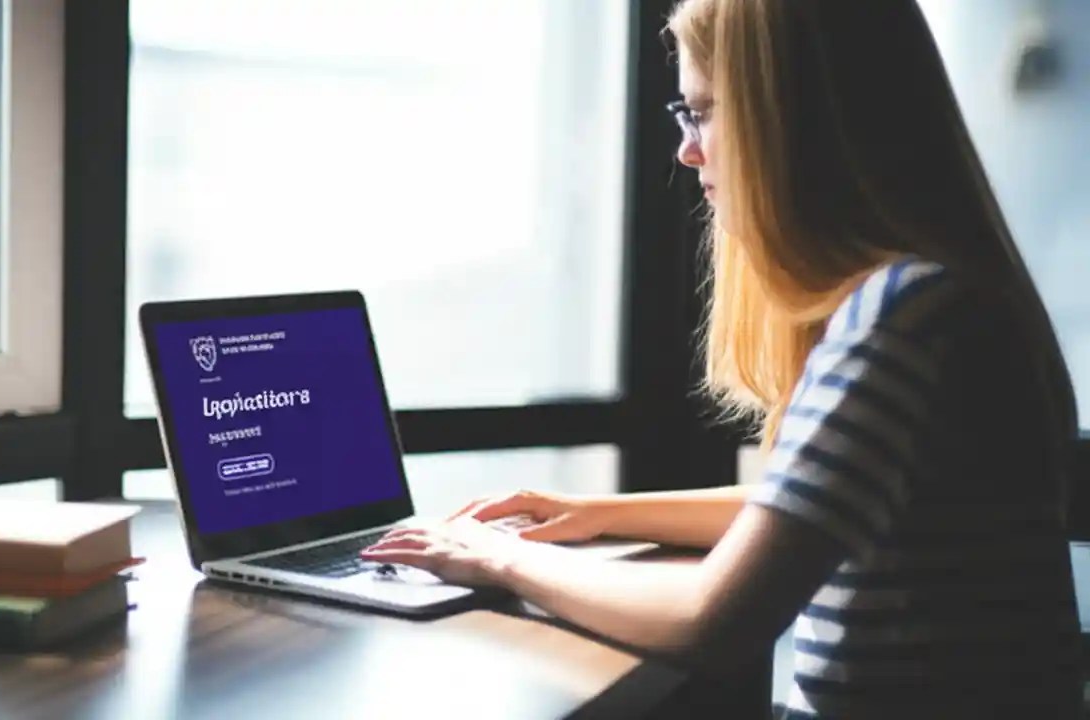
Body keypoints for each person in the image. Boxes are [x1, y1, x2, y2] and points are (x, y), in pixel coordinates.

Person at [363, 1, 1083, 717]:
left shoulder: (903, 317)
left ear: (796, 123)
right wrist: (589, 513)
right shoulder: (947, 298)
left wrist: (496, 558)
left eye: (703, 112)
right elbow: (801, 513)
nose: (686, 150)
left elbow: (712, 620)